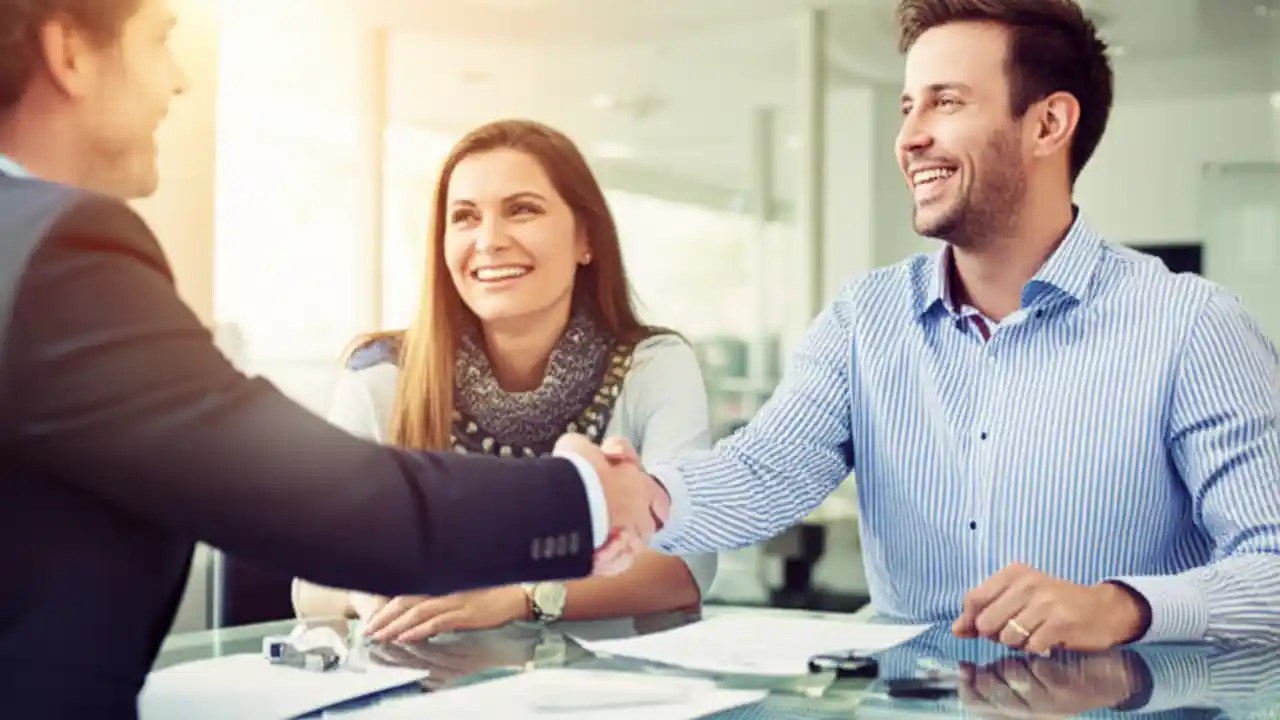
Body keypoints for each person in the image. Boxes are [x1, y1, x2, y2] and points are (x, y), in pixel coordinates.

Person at [0, 1, 655, 714]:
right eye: (159, 42)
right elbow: (301, 492)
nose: (179, 81)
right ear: (69, 54)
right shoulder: (54, 253)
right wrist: (585, 500)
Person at [579, 0, 1280, 655]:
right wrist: (651, 497)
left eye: (946, 102)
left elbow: (1272, 569)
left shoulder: (1193, 327)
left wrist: (1121, 606)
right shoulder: (865, 320)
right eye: (908, 107)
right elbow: (764, 471)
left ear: (1048, 125)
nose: (911, 138)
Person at [292, 119, 717, 642]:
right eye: (465, 217)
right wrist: (372, 587)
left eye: (523, 210)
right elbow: (311, 575)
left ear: (586, 237)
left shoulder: (653, 364)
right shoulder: (381, 375)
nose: (489, 241)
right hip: (426, 687)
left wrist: (520, 596)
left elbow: (685, 567)